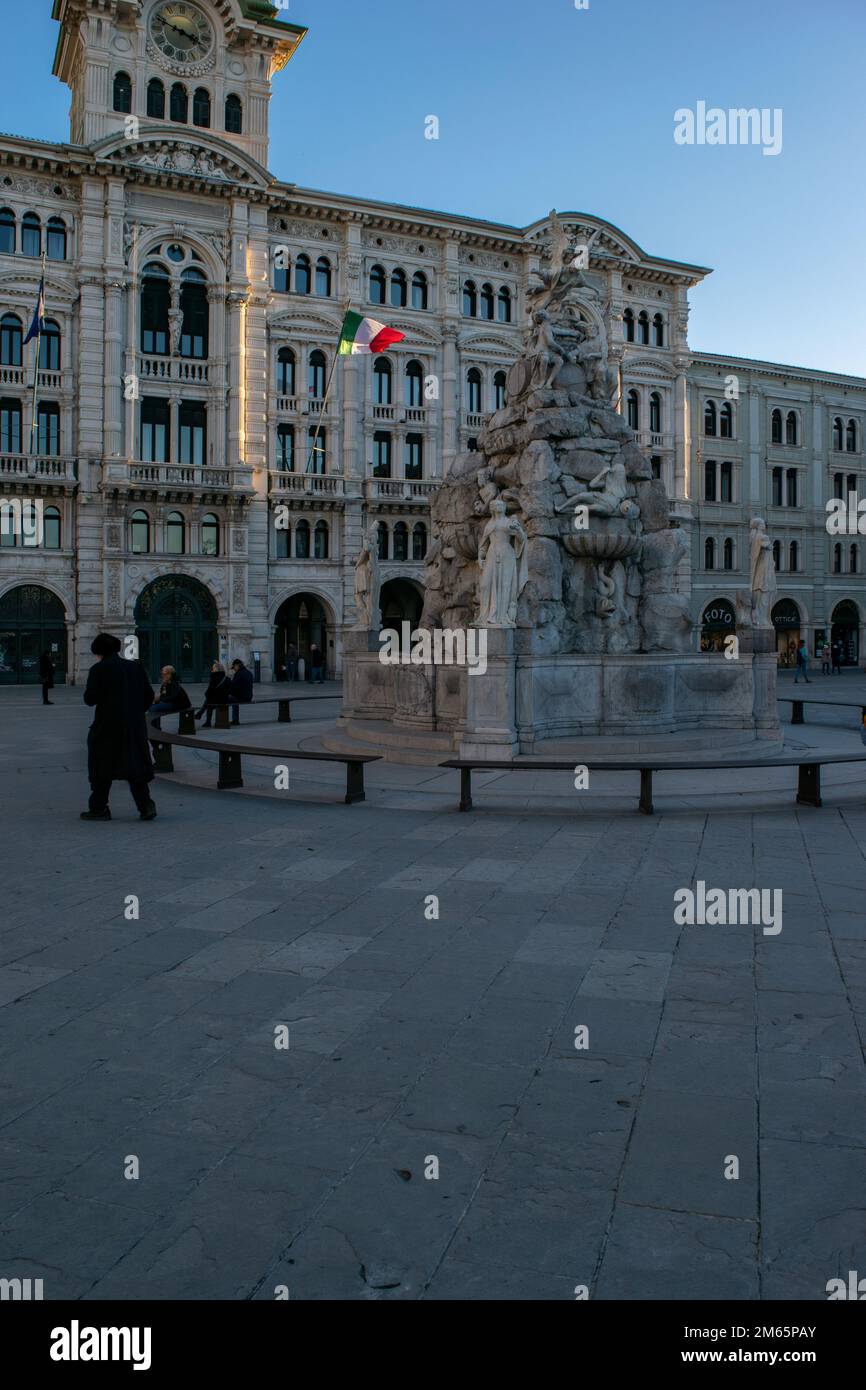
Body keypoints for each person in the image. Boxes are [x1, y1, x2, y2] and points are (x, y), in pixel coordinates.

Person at [81, 633, 156, 821]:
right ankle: (146, 806)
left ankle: (99, 808)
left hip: (106, 726)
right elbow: (149, 696)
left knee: (101, 767)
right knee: (135, 766)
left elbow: (90, 700)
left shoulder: (98, 670)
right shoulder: (135, 667)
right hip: (134, 727)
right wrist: (135, 713)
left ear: (99, 653)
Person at [149, 665, 191, 729]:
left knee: (154, 708)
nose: (163, 676)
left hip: (179, 704)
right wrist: (158, 699)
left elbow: (173, 697)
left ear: (170, 674)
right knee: (152, 707)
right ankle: (155, 727)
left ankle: (156, 728)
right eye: (162, 674)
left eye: (165, 674)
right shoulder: (166, 683)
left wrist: (161, 699)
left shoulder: (175, 683)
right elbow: (163, 695)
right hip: (172, 702)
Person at [197, 662, 231, 728]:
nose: (212, 669)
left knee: (208, 702)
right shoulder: (227, 678)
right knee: (209, 701)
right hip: (225, 700)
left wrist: (207, 695)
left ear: (216, 669)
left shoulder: (214, 678)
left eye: (213, 668)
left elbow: (209, 691)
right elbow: (230, 690)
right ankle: (200, 713)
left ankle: (206, 720)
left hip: (216, 700)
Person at [228, 658, 253, 724]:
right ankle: (235, 719)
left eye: (234, 668)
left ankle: (223, 720)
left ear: (237, 665)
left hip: (241, 697)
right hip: (249, 696)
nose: (234, 669)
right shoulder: (249, 673)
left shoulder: (238, 674)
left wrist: (229, 693)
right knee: (234, 699)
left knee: (225, 699)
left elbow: (234, 687)